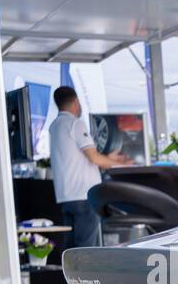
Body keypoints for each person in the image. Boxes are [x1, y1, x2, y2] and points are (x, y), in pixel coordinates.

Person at [48, 86, 130, 249]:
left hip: (67, 196)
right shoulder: (75, 124)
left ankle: (69, 276)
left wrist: (107, 158)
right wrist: (121, 164)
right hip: (84, 195)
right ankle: (84, 276)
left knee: (71, 250)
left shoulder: (55, 126)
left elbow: (77, 157)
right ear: (76, 102)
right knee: (85, 249)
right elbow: (93, 157)